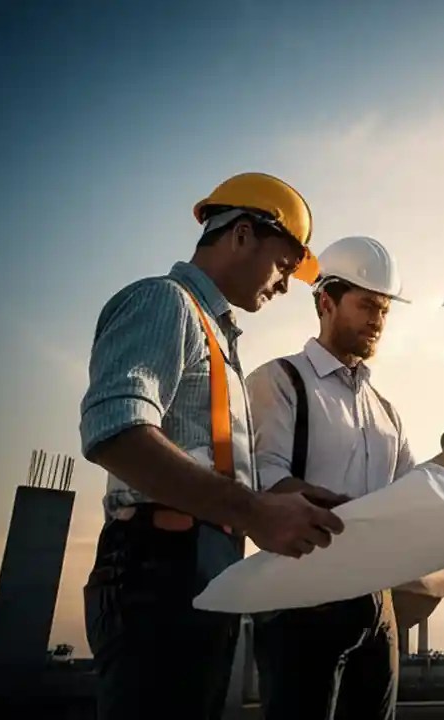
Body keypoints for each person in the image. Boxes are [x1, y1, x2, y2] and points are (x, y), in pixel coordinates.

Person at [79, 172, 347, 720]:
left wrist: (284, 497)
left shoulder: (216, 337)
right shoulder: (165, 302)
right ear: (242, 235)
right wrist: (253, 511)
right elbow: (117, 431)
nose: (285, 285)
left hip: (200, 565)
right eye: (284, 265)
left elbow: (210, 462)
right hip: (159, 568)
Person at [245, 235, 414, 720]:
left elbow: (408, 494)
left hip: (377, 606)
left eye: (384, 309)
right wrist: (355, 516)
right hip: (304, 598)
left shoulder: (386, 412)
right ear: (325, 302)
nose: (378, 320)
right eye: (366, 305)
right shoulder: (278, 381)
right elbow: (265, 478)